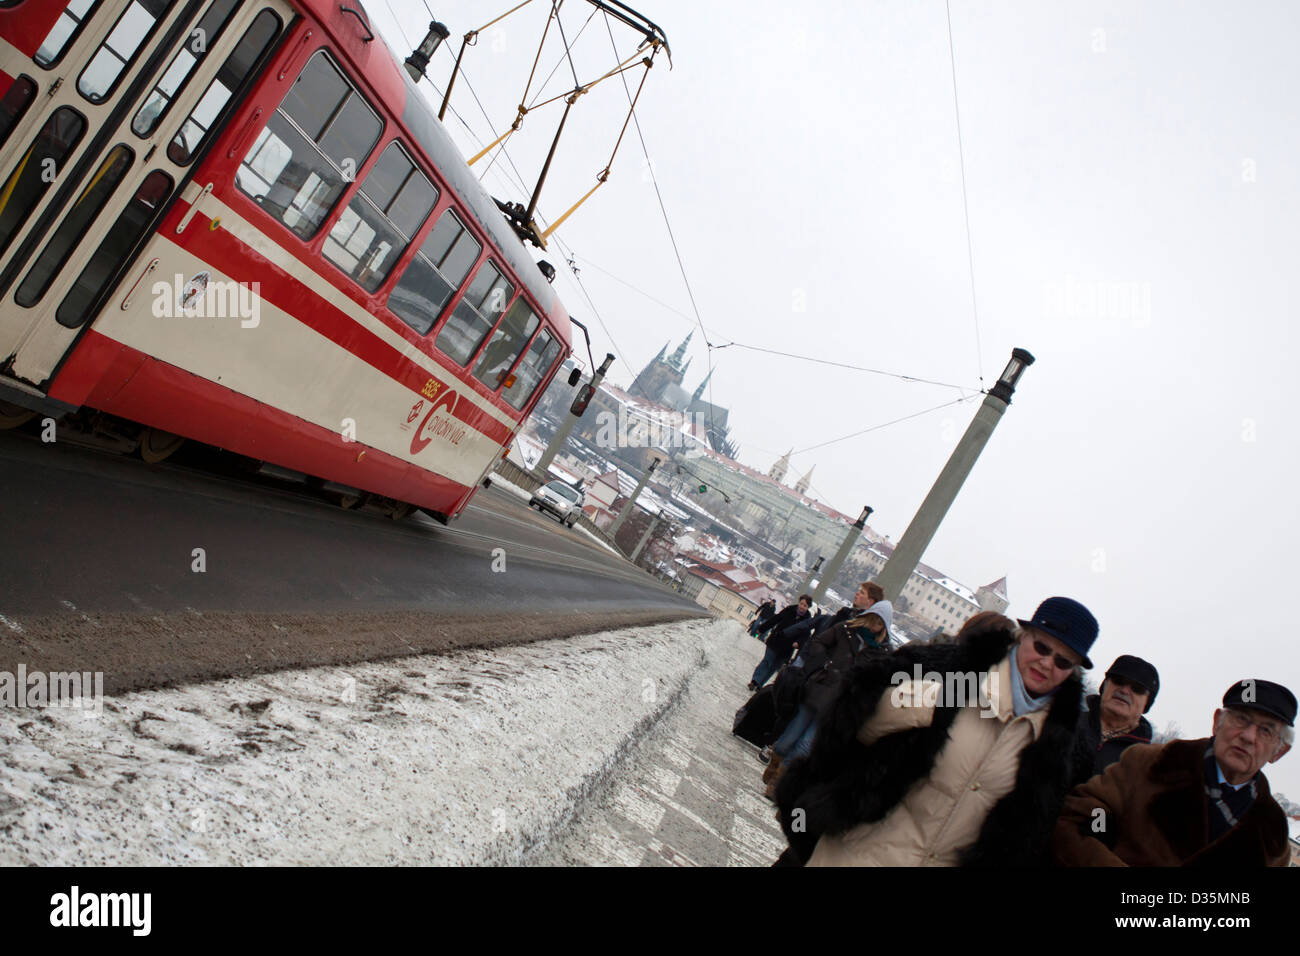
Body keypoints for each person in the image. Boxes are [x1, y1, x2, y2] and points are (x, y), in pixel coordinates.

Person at [774, 596, 1099, 866]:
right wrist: (911, 705)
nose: (1047, 664)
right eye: (1042, 648)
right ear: (1022, 637)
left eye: (1063, 661)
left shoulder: (1057, 747)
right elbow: (848, 728)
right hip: (858, 855)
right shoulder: (948, 671)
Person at [1053, 679, 1295, 867]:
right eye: (1241, 719)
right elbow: (1082, 817)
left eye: (1266, 730)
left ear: (1279, 751)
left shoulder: (1272, 833)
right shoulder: (1150, 764)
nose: (1248, 736)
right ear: (1217, 722)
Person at [761, 600, 894, 799]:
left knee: (804, 747)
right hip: (818, 691)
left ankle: (777, 785)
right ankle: (775, 764)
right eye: (871, 620)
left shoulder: (883, 653)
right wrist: (823, 664)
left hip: (838, 705)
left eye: (878, 623)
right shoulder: (845, 629)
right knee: (786, 742)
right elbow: (819, 643)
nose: (873, 625)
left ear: (883, 627)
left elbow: (880, 680)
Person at [1080, 655, 1159, 775]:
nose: (1124, 691)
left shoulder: (1145, 762)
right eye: (1119, 681)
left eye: (1137, 689)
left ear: (1147, 703)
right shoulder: (1063, 722)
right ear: (1105, 685)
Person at [748, 595, 811, 692]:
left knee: (774, 667)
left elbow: (805, 635)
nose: (802, 606)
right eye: (801, 603)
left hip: (787, 648)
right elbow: (776, 619)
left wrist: (798, 643)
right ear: (799, 603)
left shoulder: (807, 620)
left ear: (808, 607)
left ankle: (760, 685)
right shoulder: (789, 610)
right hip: (776, 640)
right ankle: (755, 681)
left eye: (805, 605)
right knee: (767, 661)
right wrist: (762, 628)